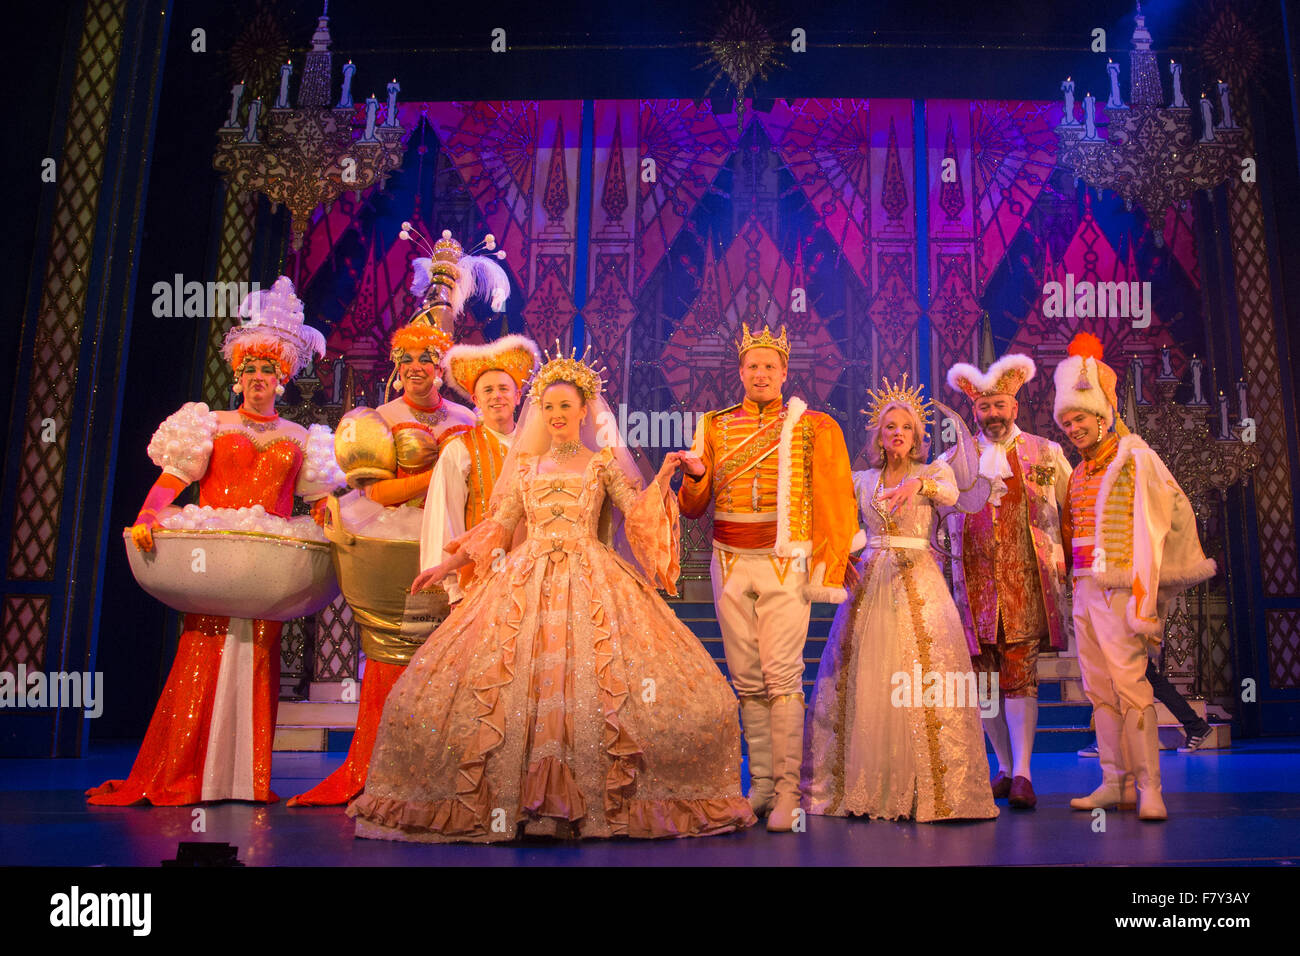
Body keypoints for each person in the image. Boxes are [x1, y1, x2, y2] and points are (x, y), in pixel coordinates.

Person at [347, 348, 756, 842]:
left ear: (585, 411)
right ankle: (519, 799)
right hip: (526, 576)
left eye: (567, 406)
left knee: (607, 684)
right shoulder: (524, 468)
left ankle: (589, 797)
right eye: (550, 407)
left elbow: (639, 514)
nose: (558, 416)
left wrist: (668, 475)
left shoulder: (603, 463)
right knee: (497, 689)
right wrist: (448, 563)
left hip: (591, 574)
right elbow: (498, 526)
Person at [89, 277, 343, 806]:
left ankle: (241, 782)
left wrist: (335, 519)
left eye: (267, 372)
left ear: (284, 379)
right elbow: (174, 478)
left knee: (257, 658)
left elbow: (318, 498)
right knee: (200, 652)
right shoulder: (210, 422)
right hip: (214, 557)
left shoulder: (301, 439)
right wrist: (147, 515)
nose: (257, 379)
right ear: (237, 377)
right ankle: (184, 773)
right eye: (249, 370)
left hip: (263, 565)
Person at [289, 238, 496, 808]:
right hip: (393, 541)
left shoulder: (466, 417)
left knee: (452, 662)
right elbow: (374, 489)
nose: (415, 371)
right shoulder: (377, 418)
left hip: (452, 547)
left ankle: (443, 780)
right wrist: (436, 479)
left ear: (442, 367)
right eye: (405, 361)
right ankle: (379, 771)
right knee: (390, 660)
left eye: (426, 361)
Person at [678, 323, 857, 831]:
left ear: (783, 373)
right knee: (747, 681)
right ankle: (757, 786)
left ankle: (787, 794)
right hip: (729, 559)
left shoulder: (811, 426)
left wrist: (830, 562)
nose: (760, 373)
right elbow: (695, 507)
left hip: (785, 563)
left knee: (782, 677)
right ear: (740, 372)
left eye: (769, 367)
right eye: (752, 366)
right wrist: (693, 475)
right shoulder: (713, 425)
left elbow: (835, 498)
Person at [803, 376, 998, 823]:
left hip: (918, 581)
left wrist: (921, 487)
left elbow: (955, 494)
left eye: (906, 428)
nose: (897, 433)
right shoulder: (863, 479)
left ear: (917, 437)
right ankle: (864, 783)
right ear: (879, 435)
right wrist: (841, 556)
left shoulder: (934, 473)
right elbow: (831, 515)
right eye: (890, 426)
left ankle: (929, 789)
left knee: (922, 673)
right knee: (865, 677)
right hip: (871, 581)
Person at [1054, 332, 1216, 821]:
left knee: (1131, 687)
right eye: (1066, 422)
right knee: (1098, 689)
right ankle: (1114, 781)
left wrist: (1146, 592)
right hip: (1084, 588)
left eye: (1079, 419)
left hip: (1120, 589)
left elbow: (1162, 517)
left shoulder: (1134, 458)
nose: (1073, 428)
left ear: (1102, 416)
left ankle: (1150, 787)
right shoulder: (1080, 471)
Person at [943, 354, 1073, 810]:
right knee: (984, 684)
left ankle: (1023, 773)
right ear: (974, 412)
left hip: (1026, 588)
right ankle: (1001, 766)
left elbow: (1070, 514)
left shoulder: (1047, 453)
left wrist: (1072, 571)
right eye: (984, 408)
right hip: (973, 590)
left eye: (1000, 405)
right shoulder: (954, 459)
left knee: (1022, 678)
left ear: (1015, 407)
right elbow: (937, 523)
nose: (993, 415)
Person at [420, 334, 542, 603]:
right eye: (488, 390)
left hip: (534, 575)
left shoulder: (539, 447)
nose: (497, 396)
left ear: (518, 396)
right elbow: (445, 515)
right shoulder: (460, 449)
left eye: (503, 389)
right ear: (476, 398)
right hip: (479, 578)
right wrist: (452, 590)